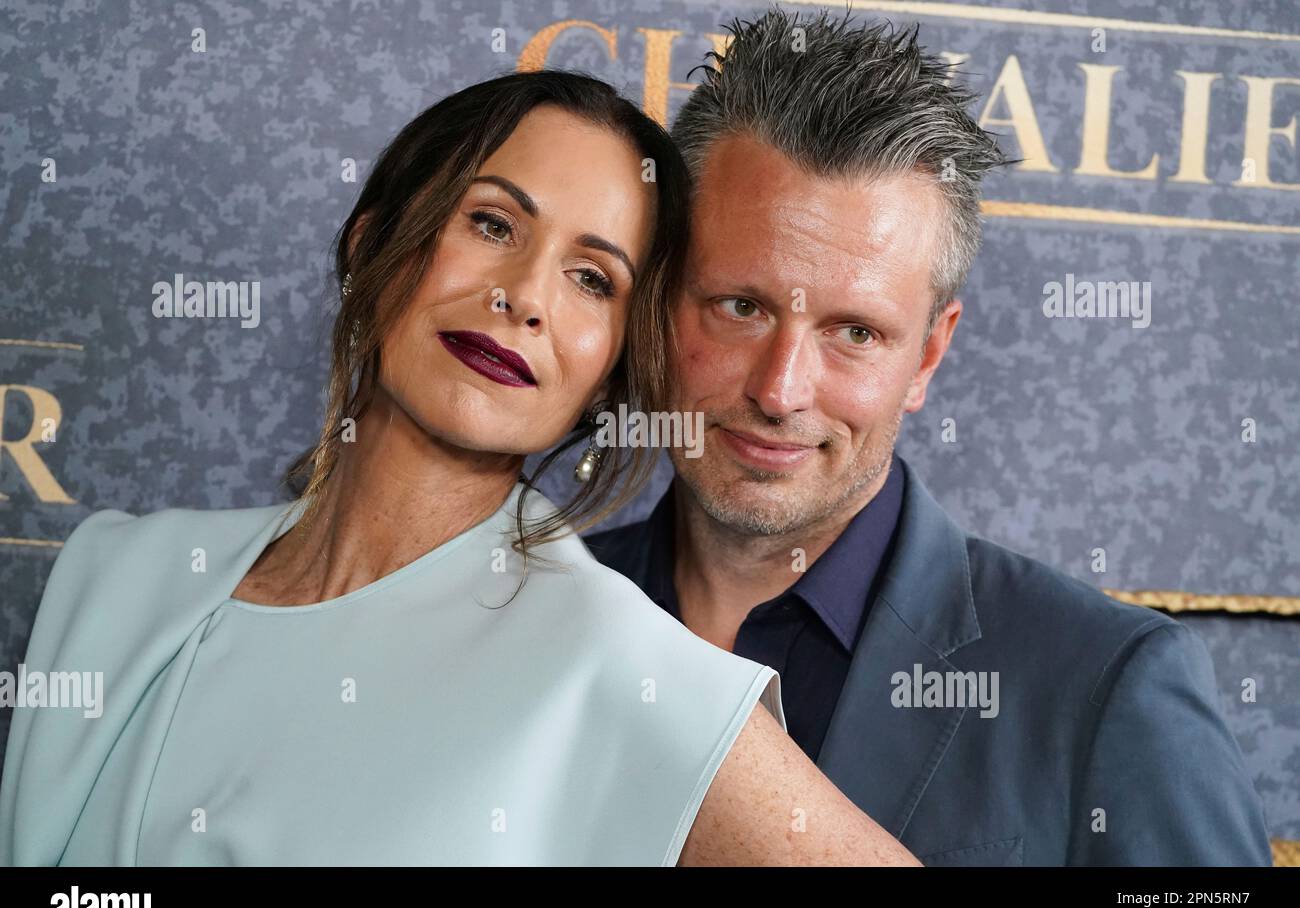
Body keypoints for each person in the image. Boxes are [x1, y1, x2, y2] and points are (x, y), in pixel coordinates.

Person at [0, 70, 918, 867]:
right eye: (492, 222)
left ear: (611, 372)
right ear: (370, 242)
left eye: (592, 279)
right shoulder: (118, 573)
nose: (522, 296)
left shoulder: (616, 665)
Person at [586, 11, 1273, 866]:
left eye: (856, 333)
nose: (781, 390)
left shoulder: (1106, 684)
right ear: (660, 297)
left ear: (929, 354)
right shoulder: (528, 615)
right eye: (741, 307)